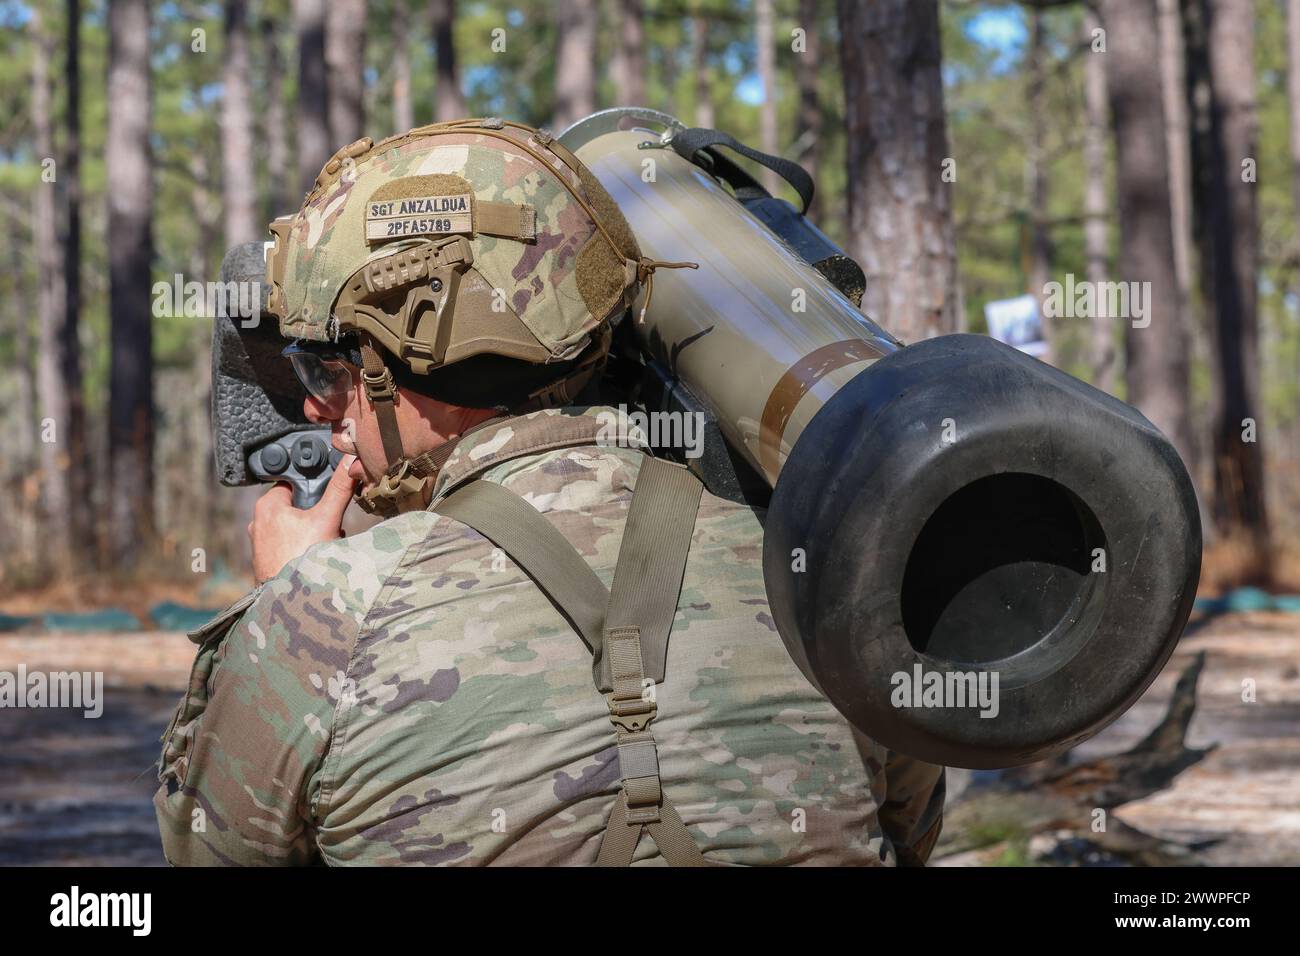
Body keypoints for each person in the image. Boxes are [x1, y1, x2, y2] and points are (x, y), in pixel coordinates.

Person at [155, 119, 944, 866]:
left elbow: (209, 851)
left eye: (329, 370)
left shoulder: (323, 613)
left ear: (413, 366)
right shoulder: (820, 566)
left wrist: (293, 598)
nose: (321, 409)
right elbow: (909, 833)